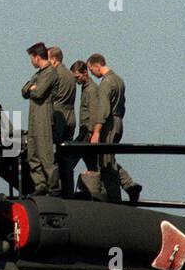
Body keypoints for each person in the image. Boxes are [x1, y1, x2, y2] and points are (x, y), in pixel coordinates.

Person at [85, 53, 141, 203]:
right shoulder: (119, 81)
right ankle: (129, 185)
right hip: (118, 121)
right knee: (110, 158)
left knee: (106, 163)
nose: (92, 73)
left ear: (97, 66)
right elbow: (123, 106)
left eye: (92, 70)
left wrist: (97, 131)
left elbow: (103, 109)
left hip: (109, 124)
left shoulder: (106, 83)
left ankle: (115, 197)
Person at [21, 42, 59, 195]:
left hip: (43, 116)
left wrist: (32, 89)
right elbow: (24, 91)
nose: (31, 61)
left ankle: (54, 186)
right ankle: (40, 184)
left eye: (32, 58)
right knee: (33, 153)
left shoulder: (50, 72)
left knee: (46, 154)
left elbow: (39, 92)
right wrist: (31, 88)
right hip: (33, 117)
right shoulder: (38, 74)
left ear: (37, 57)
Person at [47, 47, 78, 195]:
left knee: (55, 156)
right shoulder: (71, 75)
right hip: (71, 115)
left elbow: (49, 95)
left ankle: (56, 189)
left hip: (59, 115)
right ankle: (69, 191)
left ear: (53, 59)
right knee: (67, 158)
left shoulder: (55, 74)